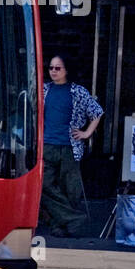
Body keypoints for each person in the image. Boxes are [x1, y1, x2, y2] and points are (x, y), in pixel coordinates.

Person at [40, 54, 103, 237]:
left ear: (66, 70)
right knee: (44, 185)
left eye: (57, 68)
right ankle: (74, 220)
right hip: (47, 145)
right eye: (51, 68)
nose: (53, 71)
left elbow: (96, 112)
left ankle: (61, 226)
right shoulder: (44, 90)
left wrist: (87, 133)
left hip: (69, 146)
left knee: (70, 189)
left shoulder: (78, 91)